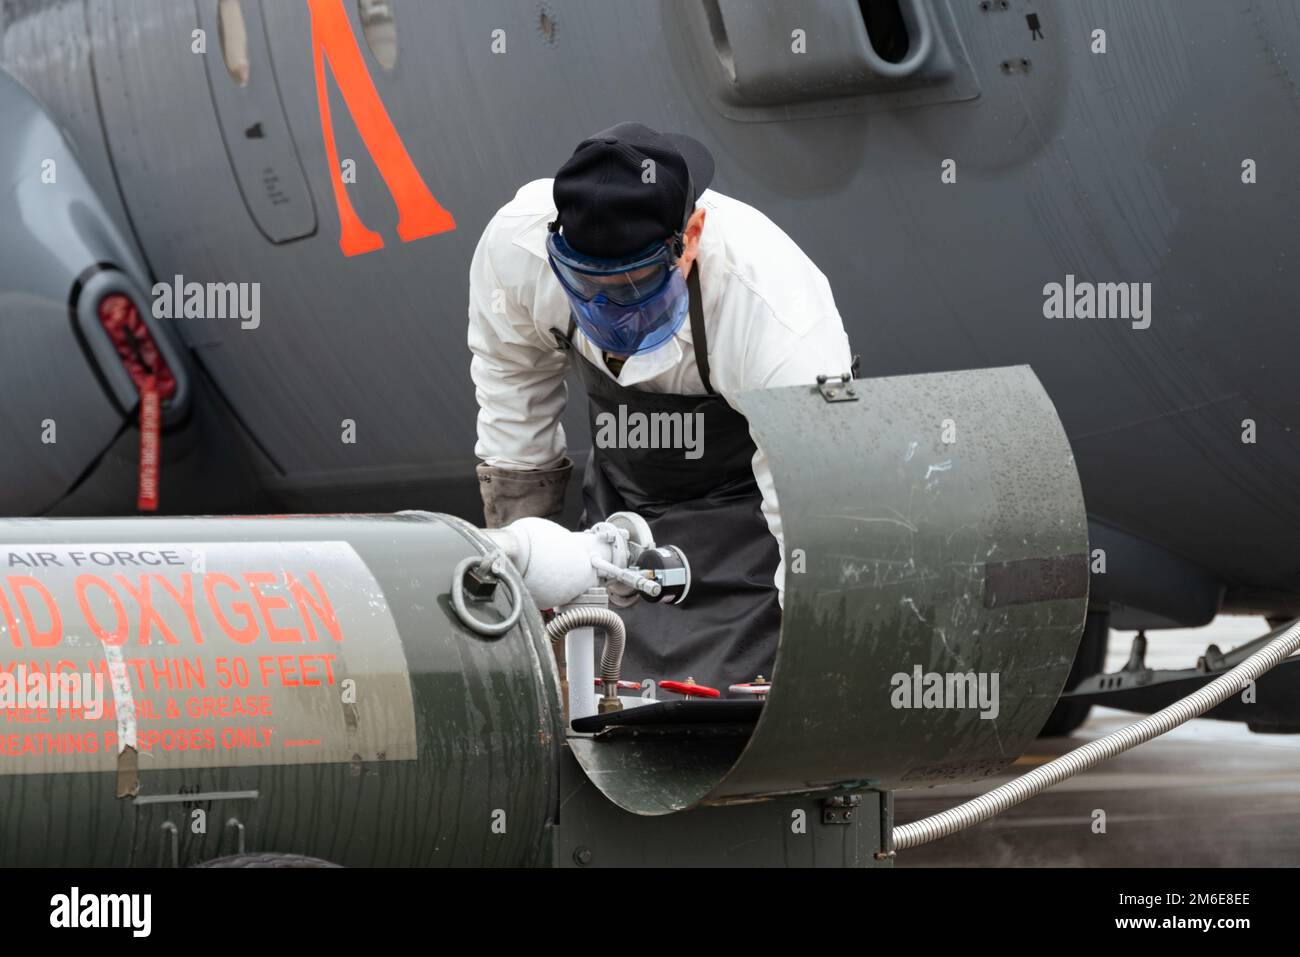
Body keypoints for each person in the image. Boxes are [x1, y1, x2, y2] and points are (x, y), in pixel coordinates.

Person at [467, 122, 851, 692]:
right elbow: (514, 411)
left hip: (753, 526)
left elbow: (812, 510)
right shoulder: (515, 251)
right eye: (588, 287)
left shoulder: (772, 307)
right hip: (624, 513)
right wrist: (525, 574)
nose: (610, 314)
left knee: (734, 712)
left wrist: (816, 671)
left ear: (689, 237)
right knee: (595, 697)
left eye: (633, 286)